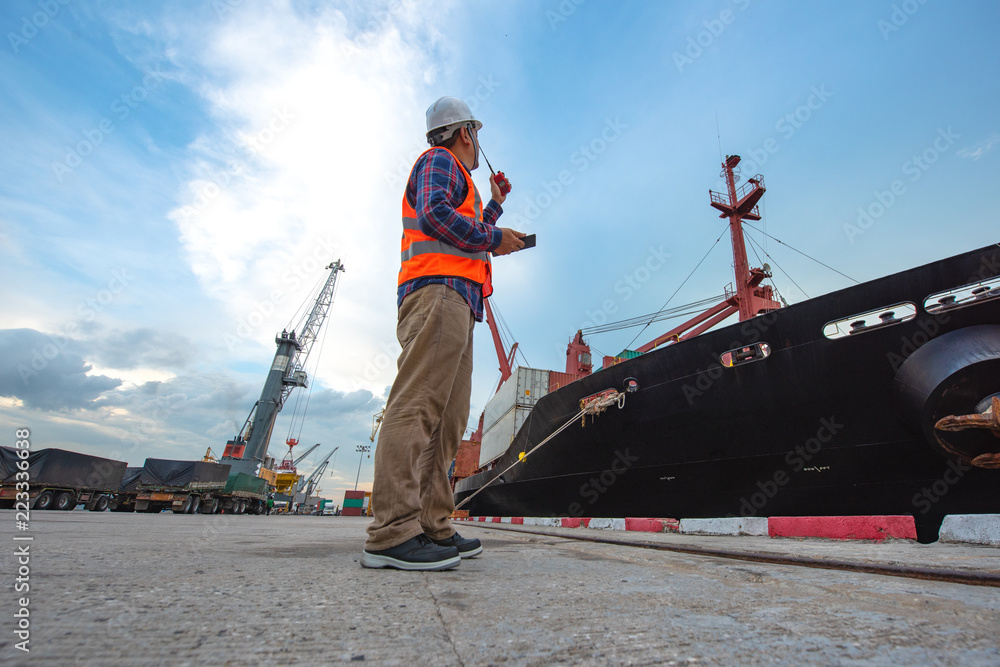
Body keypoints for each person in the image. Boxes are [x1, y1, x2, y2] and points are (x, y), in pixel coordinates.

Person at [361, 96, 524, 571]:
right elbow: (435, 216)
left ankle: (432, 524)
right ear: (466, 133)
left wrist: (493, 207)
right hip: (436, 293)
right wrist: (495, 237)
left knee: (448, 420)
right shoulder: (440, 160)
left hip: (459, 302)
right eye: (477, 135)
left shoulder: (459, 177)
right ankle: (392, 532)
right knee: (417, 407)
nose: (478, 146)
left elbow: (464, 228)